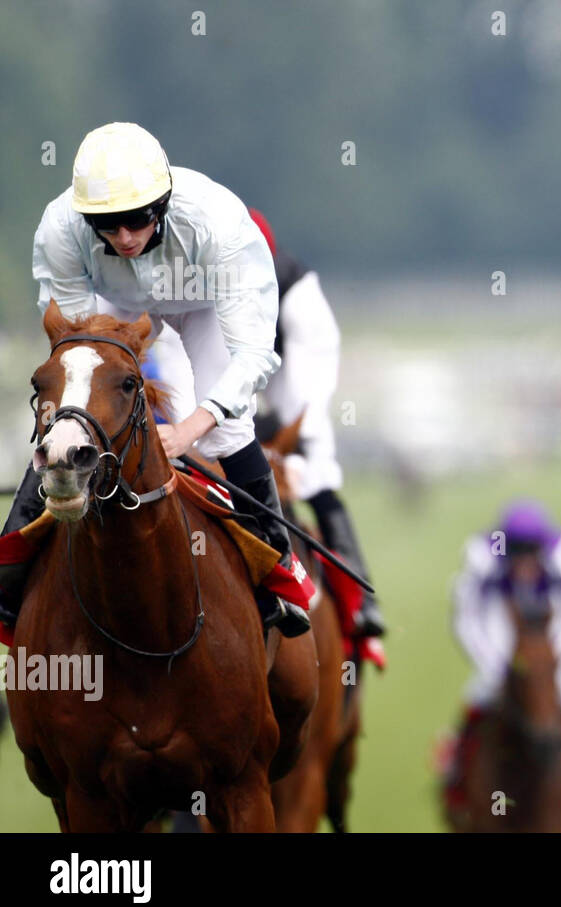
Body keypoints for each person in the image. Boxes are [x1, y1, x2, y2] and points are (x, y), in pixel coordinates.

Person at [2, 122, 309, 637]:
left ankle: (276, 564)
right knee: (76, 408)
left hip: (206, 302)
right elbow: (72, 345)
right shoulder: (60, 228)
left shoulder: (222, 226)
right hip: (118, 306)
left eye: (138, 220)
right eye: (108, 225)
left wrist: (187, 430)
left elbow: (253, 355)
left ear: (162, 204)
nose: (124, 238)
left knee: (225, 431)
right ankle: (12, 562)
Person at [245, 207, 385, 638]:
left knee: (312, 458)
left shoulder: (298, 293)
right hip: (253, 354)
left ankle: (363, 597)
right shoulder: (208, 279)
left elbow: (301, 405)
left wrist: (268, 429)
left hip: (299, 358)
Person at [442, 501, 561, 806]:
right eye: (517, 551)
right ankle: (456, 771)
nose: (525, 560)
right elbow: (469, 619)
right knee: (479, 694)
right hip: (500, 641)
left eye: (531, 550)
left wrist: (555, 660)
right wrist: (496, 665)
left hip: (551, 646)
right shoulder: (483, 562)